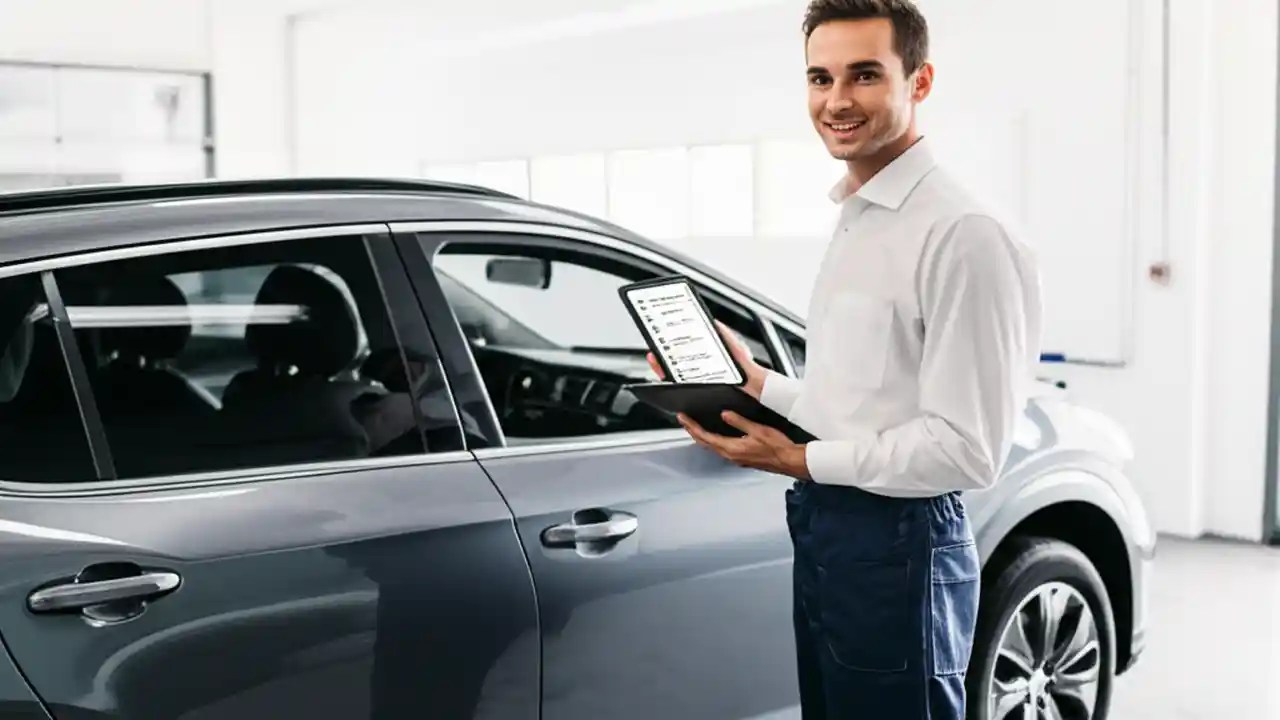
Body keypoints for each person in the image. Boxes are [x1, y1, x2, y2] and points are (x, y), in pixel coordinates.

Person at [647, 1, 1043, 717]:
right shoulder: (859, 218)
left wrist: (797, 460)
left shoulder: (964, 234)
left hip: (902, 543)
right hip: (831, 529)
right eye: (819, 78)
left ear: (919, 82)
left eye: (864, 75)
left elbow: (967, 451)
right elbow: (855, 404)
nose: (836, 101)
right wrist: (756, 383)